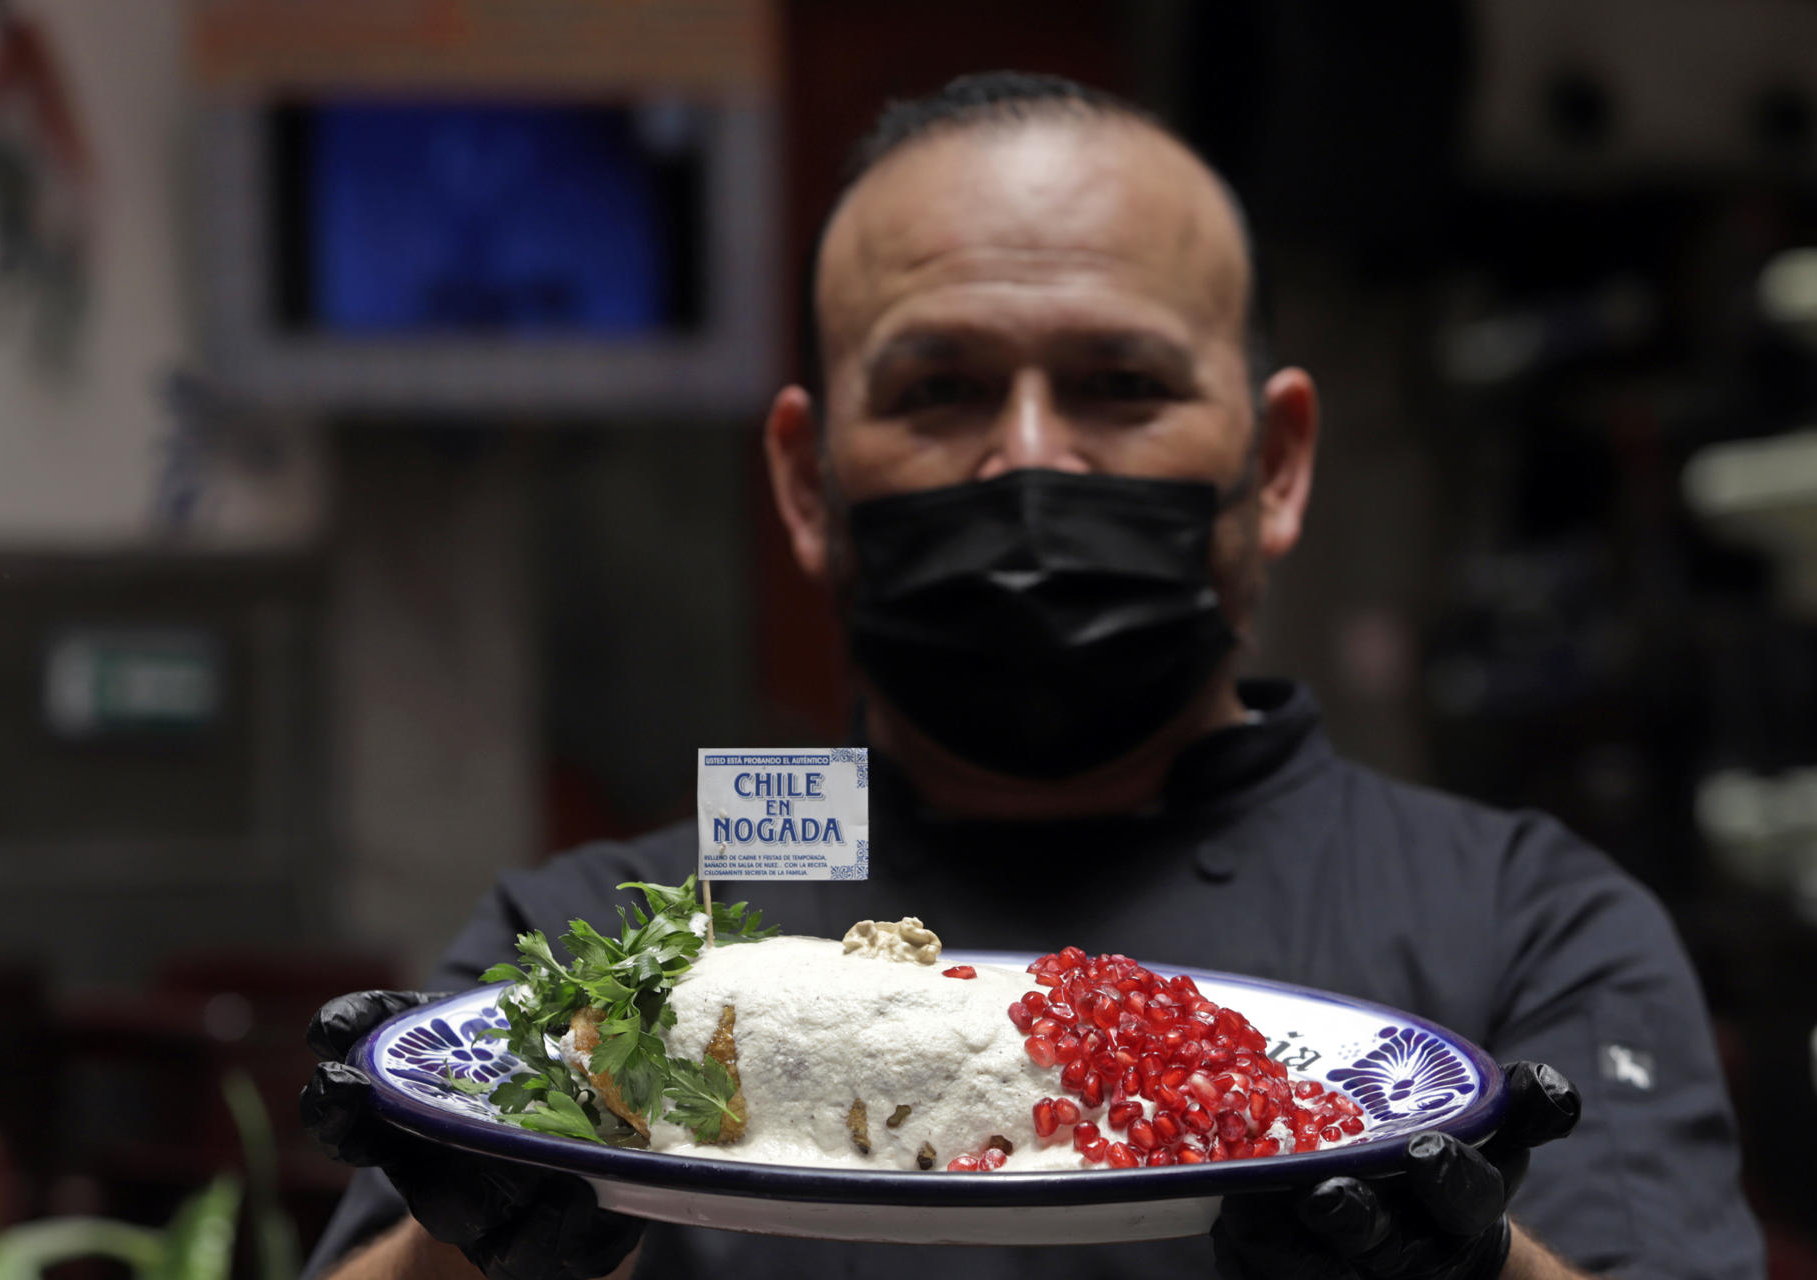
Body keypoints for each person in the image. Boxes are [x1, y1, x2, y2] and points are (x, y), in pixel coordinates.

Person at [297, 73, 1764, 1280]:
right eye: (937, 390)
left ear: (1280, 467)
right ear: (809, 486)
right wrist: (472, 1248)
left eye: (1122, 386)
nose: (1030, 459)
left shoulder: (1525, 922)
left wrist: (1475, 1268)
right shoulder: (597, 949)